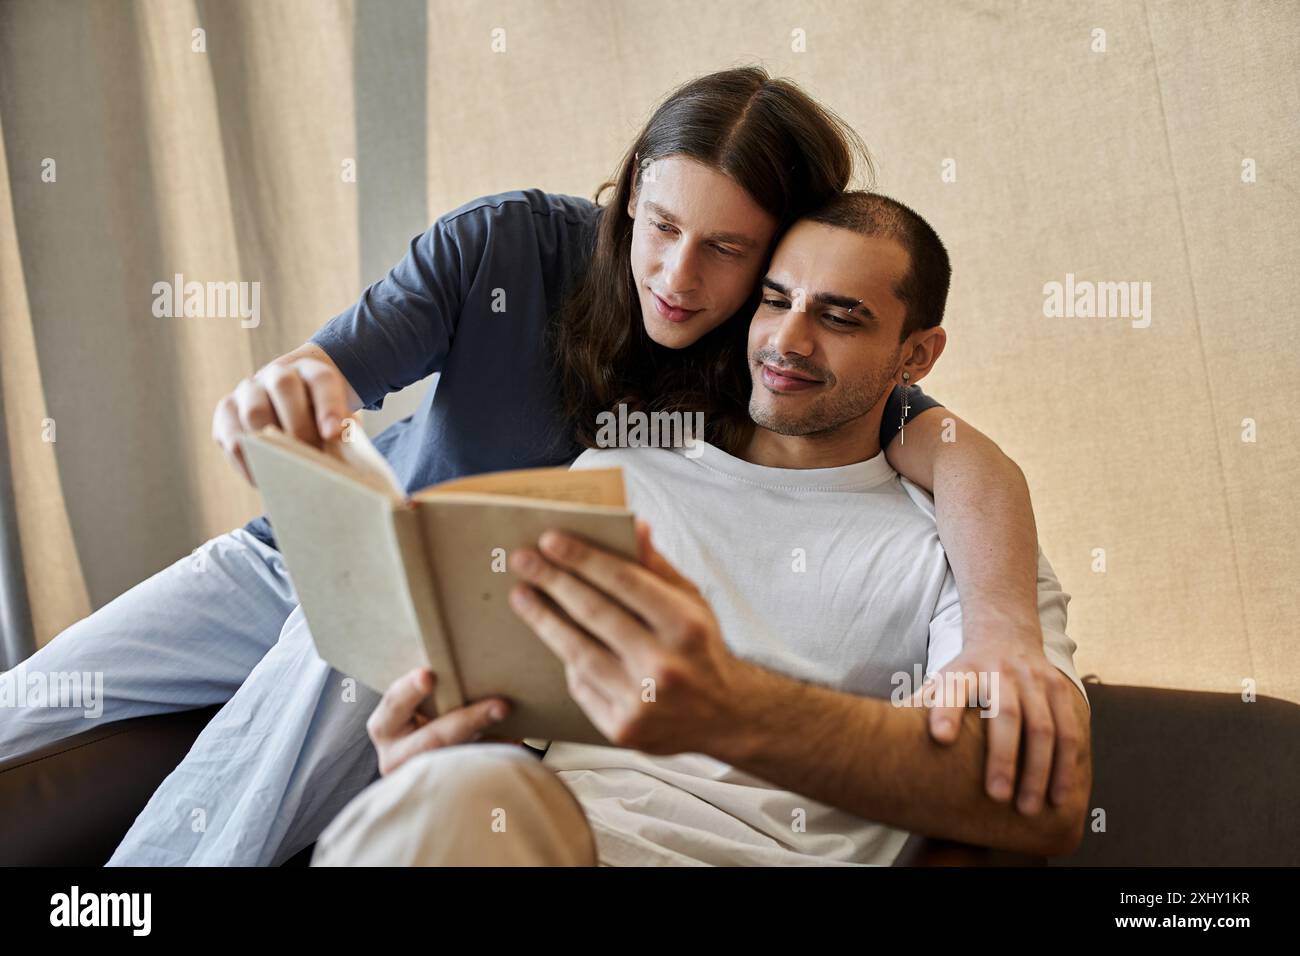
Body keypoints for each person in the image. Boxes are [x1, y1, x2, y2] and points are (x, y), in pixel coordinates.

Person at [0, 68, 1076, 867]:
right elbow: (332, 363)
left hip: (440, 632)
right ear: (624, 198)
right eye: (656, 225)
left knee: (407, 682)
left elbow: (936, 444)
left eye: (728, 252)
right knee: (32, 700)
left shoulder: (767, 373)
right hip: (300, 564)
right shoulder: (512, 248)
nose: (676, 275)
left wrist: (1000, 624)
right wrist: (283, 390)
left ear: (773, 251)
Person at [313, 191, 1092, 866]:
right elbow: (514, 737)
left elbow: (1038, 804)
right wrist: (437, 756)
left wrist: (729, 709)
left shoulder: (965, 549)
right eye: (776, 300)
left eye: (840, 316)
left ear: (916, 355)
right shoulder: (623, 474)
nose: (788, 340)